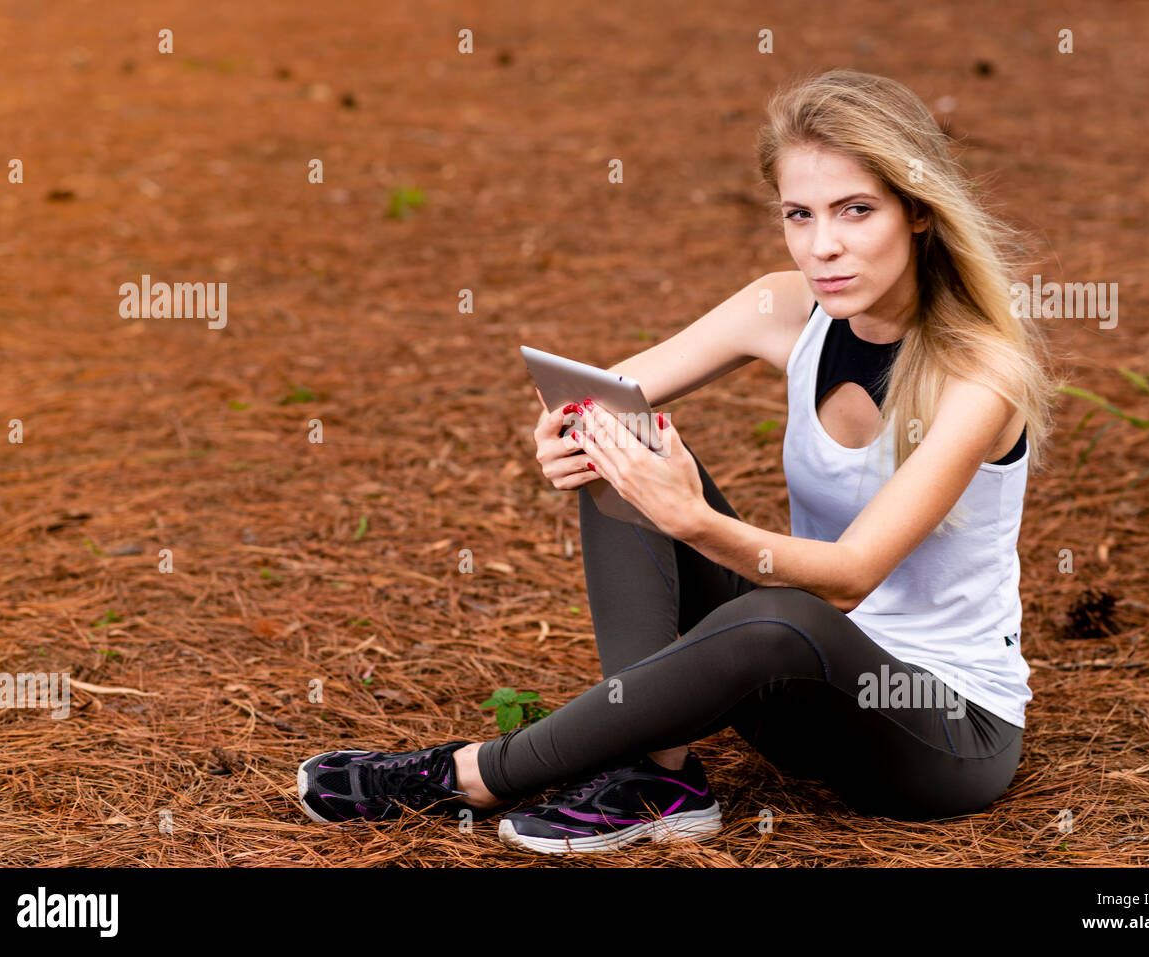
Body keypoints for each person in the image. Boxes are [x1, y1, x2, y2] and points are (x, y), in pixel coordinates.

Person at [296, 68, 1061, 855]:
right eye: (800, 215)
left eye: (856, 211)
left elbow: (851, 573)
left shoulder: (980, 373)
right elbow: (599, 396)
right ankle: (654, 773)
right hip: (803, 690)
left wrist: (691, 518)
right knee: (621, 442)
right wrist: (562, 433)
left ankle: (470, 776)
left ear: (920, 211)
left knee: (790, 612)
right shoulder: (785, 303)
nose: (822, 245)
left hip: (939, 732)